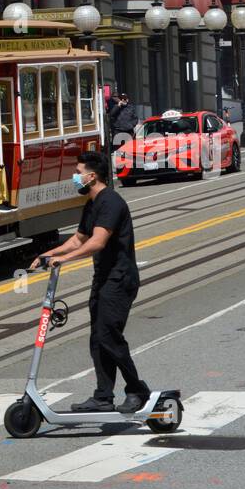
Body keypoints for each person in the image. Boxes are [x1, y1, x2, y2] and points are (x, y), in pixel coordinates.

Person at [30, 149, 150, 414]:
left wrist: (66, 259)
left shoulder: (111, 202)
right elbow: (79, 238)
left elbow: (97, 242)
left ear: (92, 176)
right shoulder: (92, 204)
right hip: (104, 279)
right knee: (98, 338)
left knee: (109, 336)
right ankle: (103, 396)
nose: (75, 177)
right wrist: (48, 254)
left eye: (78, 173)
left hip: (120, 279)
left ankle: (137, 390)